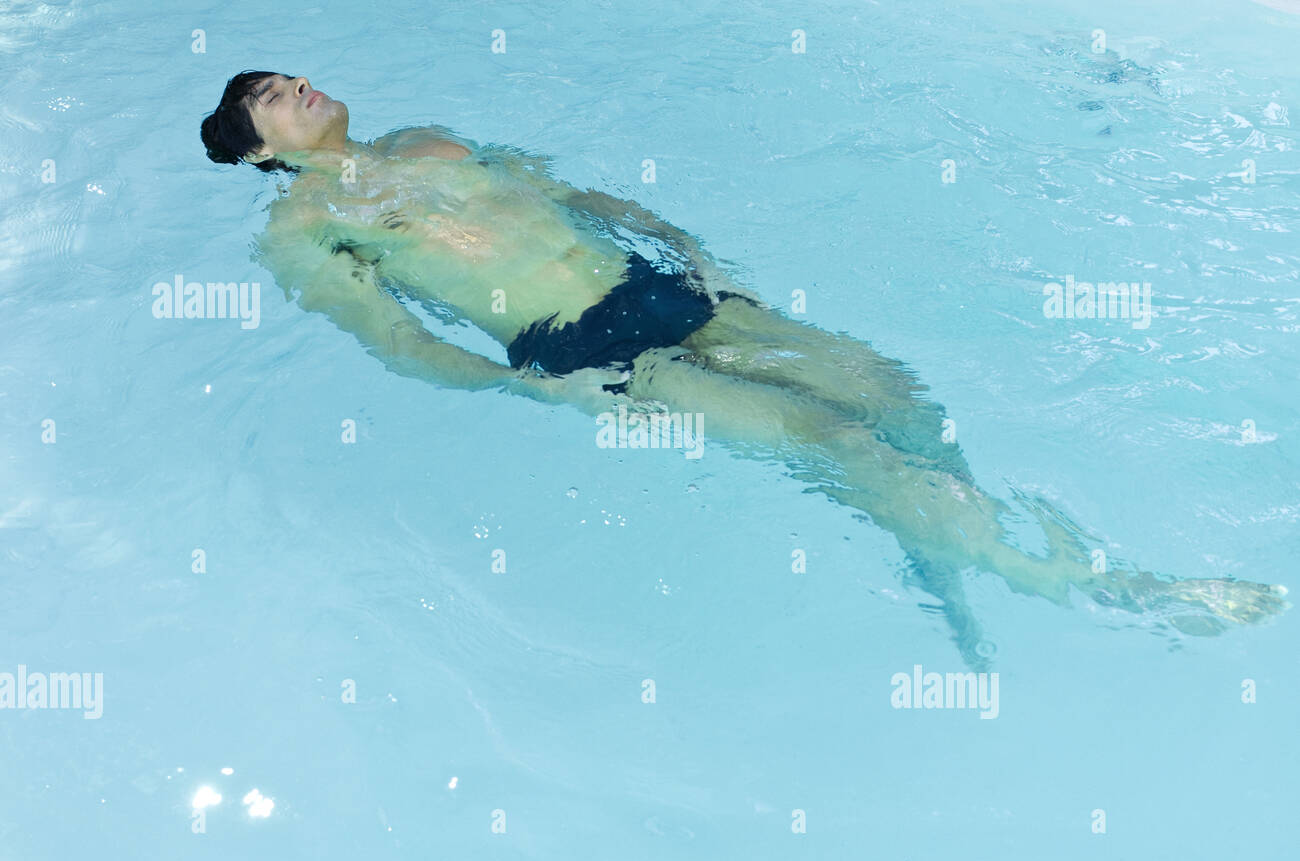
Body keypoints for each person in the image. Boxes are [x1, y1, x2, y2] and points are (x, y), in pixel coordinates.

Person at [200, 71, 1287, 666]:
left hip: (672, 293)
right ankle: (1096, 588)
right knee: (832, 440)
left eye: (293, 76)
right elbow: (392, 339)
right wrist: (518, 388)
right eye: (270, 98)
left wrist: (692, 253)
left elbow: (584, 200)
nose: (297, 88)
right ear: (258, 151)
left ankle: (944, 553)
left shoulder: (430, 138)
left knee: (895, 398)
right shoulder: (302, 230)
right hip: (589, 353)